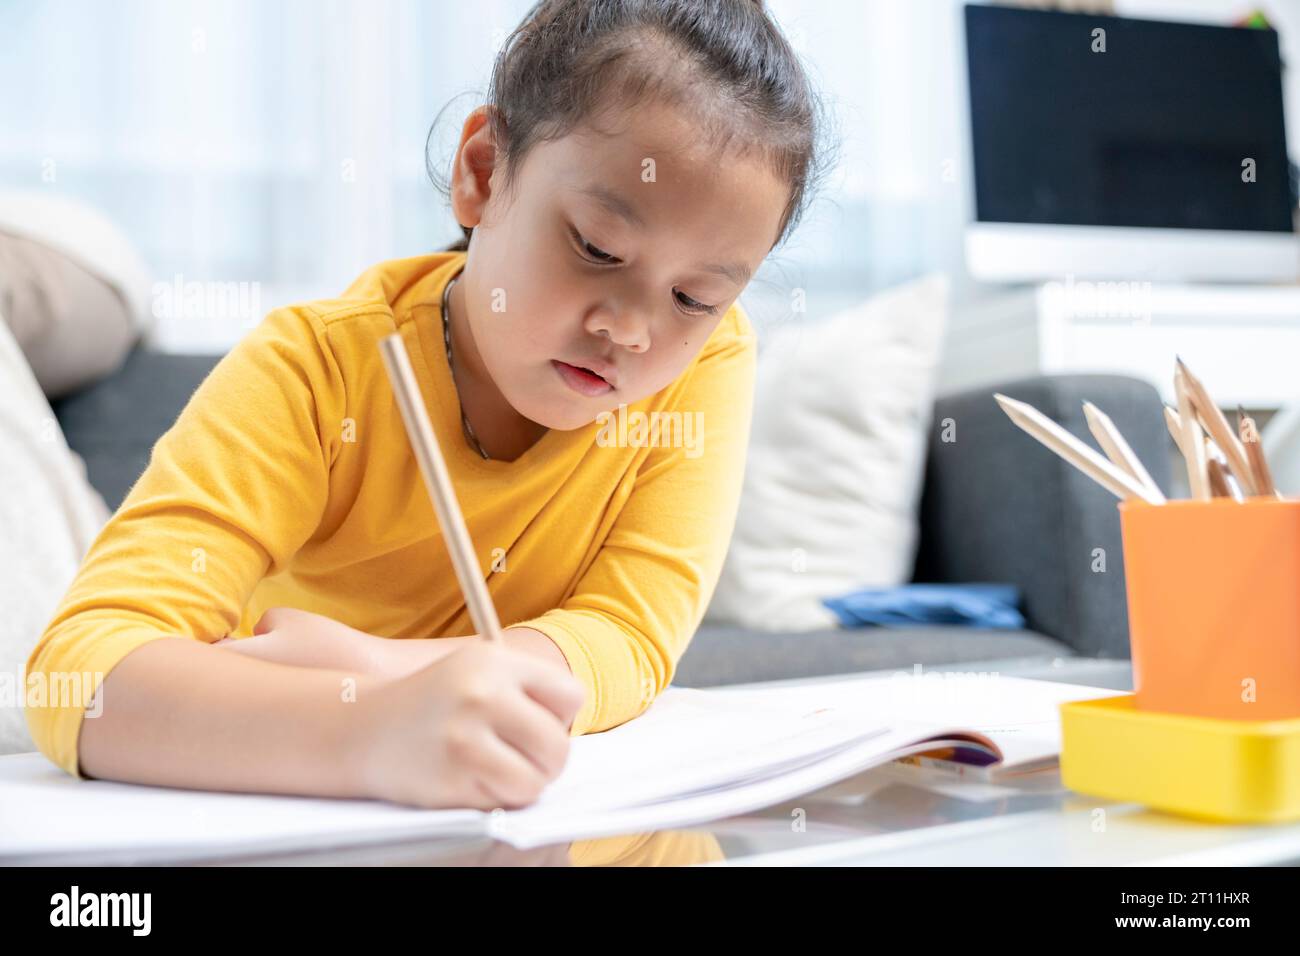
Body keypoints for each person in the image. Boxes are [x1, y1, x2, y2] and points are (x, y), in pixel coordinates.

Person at [25, 0, 831, 811]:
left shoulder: (706, 363)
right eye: (596, 247)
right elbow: (76, 673)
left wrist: (382, 668)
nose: (628, 328)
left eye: (694, 296)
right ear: (481, 172)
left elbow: (629, 635)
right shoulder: (314, 370)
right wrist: (369, 729)